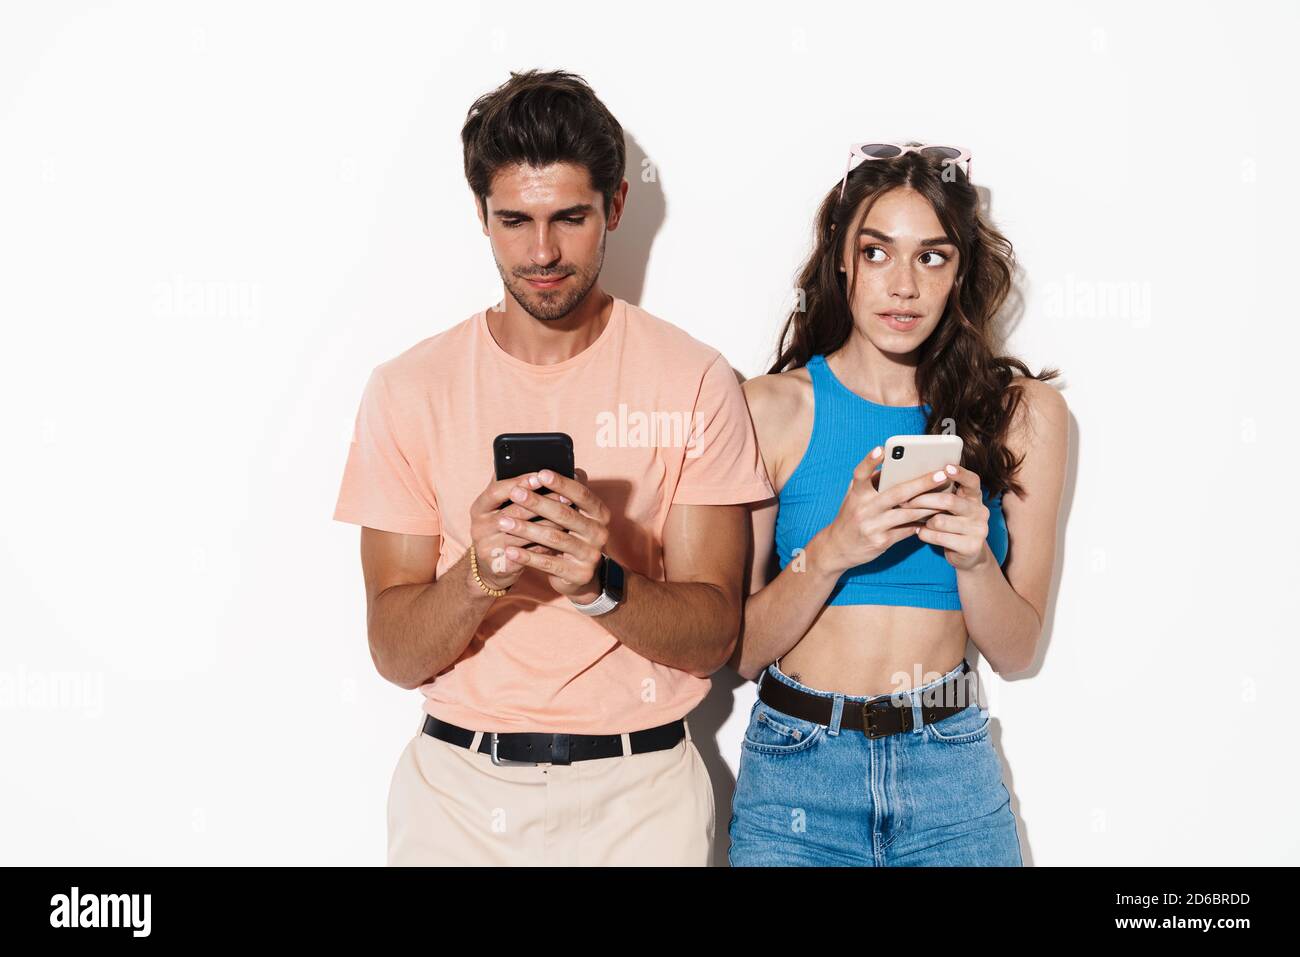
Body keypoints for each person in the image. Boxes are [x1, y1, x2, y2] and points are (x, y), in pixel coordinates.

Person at [332, 69, 774, 866]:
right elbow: (395, 653)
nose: (541, 252)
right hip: (457, 798)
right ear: (481, 217)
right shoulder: (407, 388)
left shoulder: (695, 379)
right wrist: (478, 573)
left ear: (615, 208)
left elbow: (714, 632)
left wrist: (599, 584)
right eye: (515, 220)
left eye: (569, 217)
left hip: (642, 798)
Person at [728, 142, 1069, 866]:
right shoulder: (771, 409)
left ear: (961, 271)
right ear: (843, 260)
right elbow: (739, 652)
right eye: (878, 253)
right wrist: (831, 551)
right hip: (797, 770)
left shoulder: (1024, 416)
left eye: (933, 257)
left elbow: (1015, 651)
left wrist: (975, 560)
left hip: (948, 772)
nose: (904, 286)